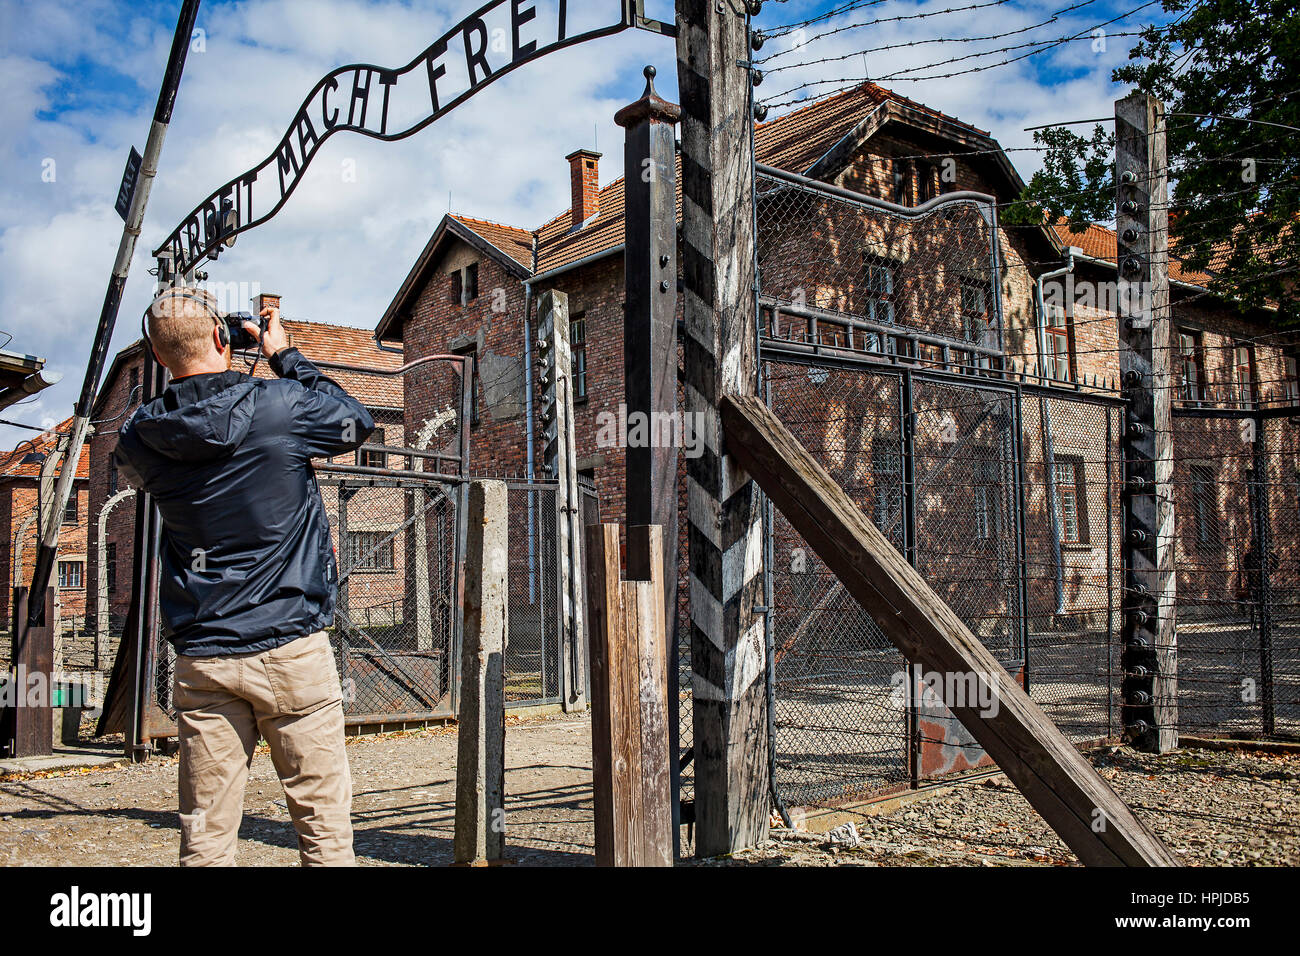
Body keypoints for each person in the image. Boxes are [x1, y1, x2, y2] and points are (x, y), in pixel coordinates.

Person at [115, 287, 373, 866]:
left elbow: (143, 461)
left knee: (205, 834)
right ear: (220, 337)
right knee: (324, 828)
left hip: (203, 656)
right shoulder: (279, 406)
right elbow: (356, 422)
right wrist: (286, 356)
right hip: (290, 647)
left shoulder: (139, 438)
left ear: (157, 358)